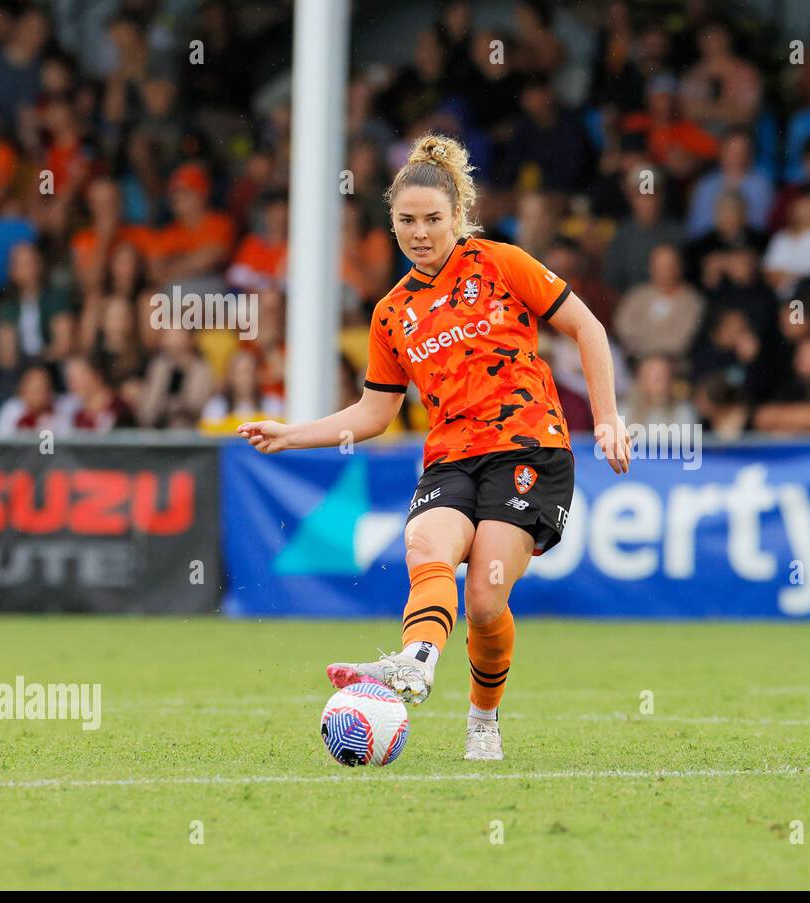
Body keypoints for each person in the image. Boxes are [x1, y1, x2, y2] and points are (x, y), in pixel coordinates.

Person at [237, 134, 629, 761]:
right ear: (391, 222)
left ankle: (483, 719)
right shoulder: (391, 313)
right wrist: (293, 434)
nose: (419, 233)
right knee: (426, 546)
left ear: (457, 215)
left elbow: (587, 326)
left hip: (529, 447)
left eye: (432, 219)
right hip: (450, 455)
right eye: (406, 221)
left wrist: (607, 418)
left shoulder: (501, 263)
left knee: (486, 598)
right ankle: (417, 661)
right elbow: (375, 413)